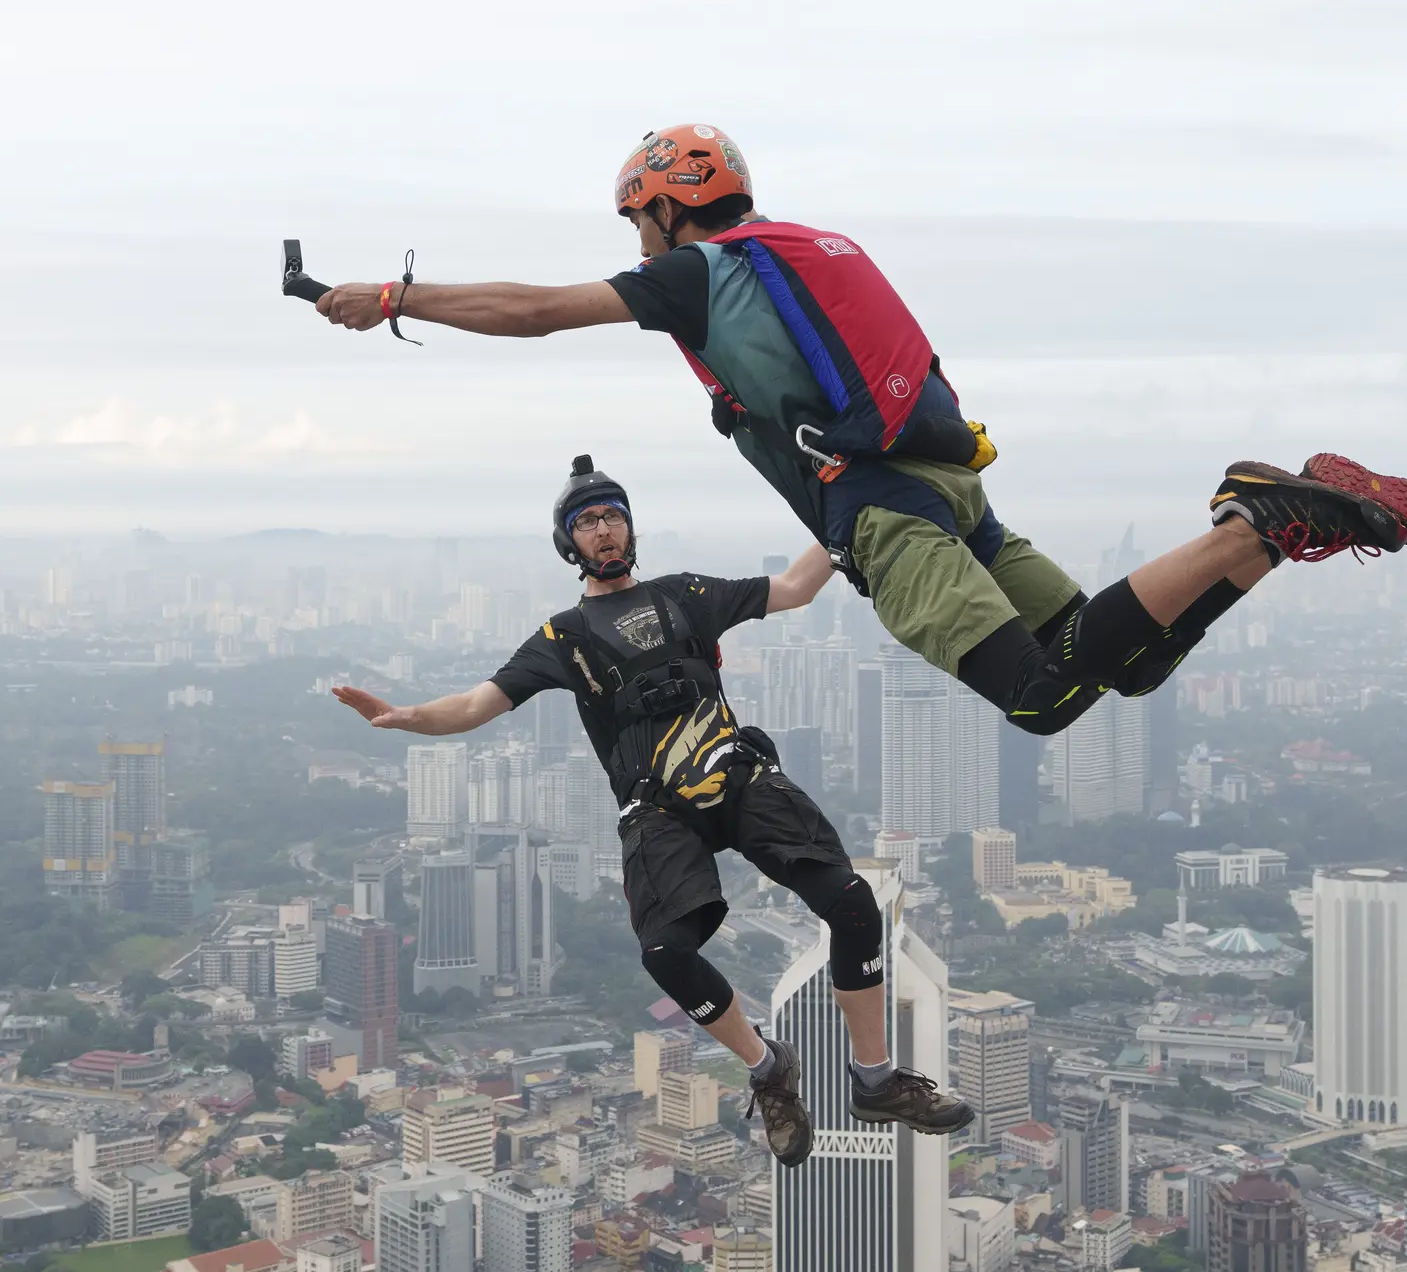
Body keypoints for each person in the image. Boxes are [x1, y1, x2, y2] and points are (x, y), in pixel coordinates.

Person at [314, 125, 1407, 738]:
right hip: (956, 487)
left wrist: (397, 298)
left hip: (891, 512)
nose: (640, 236)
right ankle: (1258, 528)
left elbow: (532, 314)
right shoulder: (809, 248)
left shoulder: (697, 278)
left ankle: (1249, 519)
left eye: (639, 217)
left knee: (1041, 695)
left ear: (664, 204)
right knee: (1129, 670)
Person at [331, 456, 977, 1168]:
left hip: (738, 777)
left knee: (853, 905)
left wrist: (848, 515)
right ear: (568, 545)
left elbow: (792, 588)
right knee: (666, 952)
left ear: (631, 527)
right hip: (658, 811)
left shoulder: (686, 595)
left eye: (612, 516)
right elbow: (479, 704)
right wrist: (405, 716)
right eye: (587, 522)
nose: (604, 531)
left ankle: (876, 1079)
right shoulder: (563, 637)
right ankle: (769, 1069)